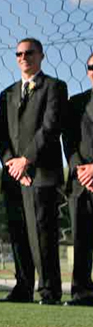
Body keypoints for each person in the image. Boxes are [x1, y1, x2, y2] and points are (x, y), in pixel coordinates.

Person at [0, 38, 67, 305]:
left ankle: (49, 290)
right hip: (14, 175)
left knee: (43, 234)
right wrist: (11, 163)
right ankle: (22, 287)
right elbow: (0, 133)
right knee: (19, 233)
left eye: (29, 53)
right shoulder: (8, 93)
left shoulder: (55, 87)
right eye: (19, 53)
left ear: (41, 56)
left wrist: (27, 160)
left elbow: (50, 127)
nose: (24, 57)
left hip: (41, 173)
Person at [62, 51, 93, 306]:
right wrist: (80, 169)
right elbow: (69, 141)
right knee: (81, 239)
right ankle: (81, 291)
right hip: (81, 181)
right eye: (92, 66)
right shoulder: (76, 103)